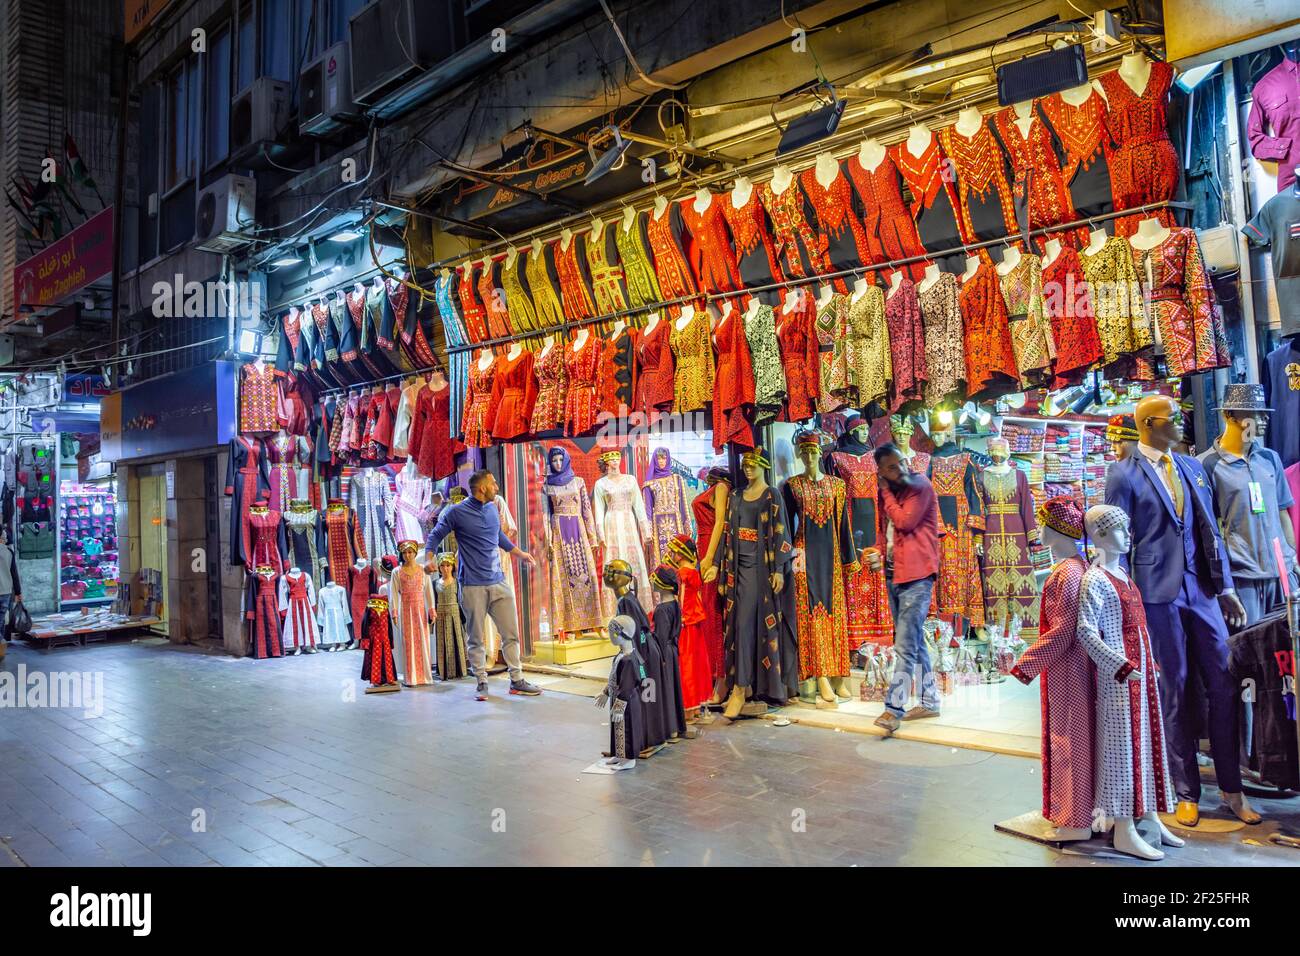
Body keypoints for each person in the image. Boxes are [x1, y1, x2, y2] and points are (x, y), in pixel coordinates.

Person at [1105, 394, 1259, 826]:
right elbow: (1118, 542)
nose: (1182, 424)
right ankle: (1185, 790)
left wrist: (1225, 586)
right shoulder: (1124, 473)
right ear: (1151, 424)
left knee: (1224, 682)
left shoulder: (1191, 466)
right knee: (1174, 687)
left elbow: (1210, 529)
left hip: (1203, 589)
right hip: (1156, 592)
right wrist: (1124, 600)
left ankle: (1233, 788)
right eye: (1175, 419)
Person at [425, 468, 542, 701]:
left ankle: (516, 680)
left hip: (498, 581)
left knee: (511, 634)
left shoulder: (492, 507)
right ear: (481, 488)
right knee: (476, 637)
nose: (497, 487)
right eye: (494, 483)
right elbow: (435, 535)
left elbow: (497, 535)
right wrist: (429, 557)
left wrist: (519, 553)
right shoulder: (455, 512)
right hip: (472, 586)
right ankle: (481, 681)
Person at [868, 443, 941, 735]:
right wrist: (876, 551)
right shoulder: (892, 494)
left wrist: (885, 491)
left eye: (901, 463)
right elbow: (884, 530)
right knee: (913, 642)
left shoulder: (919, 484)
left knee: (905, 646)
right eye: (892, 466)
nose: (900, 469)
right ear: (881, 470)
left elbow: (905, 521)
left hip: (917, 575)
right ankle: (929, 700)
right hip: (896, 574)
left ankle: (893, 709)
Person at [0, 525, 21, 659]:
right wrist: (18, 592)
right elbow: (14, 573)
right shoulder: (9, 552)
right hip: (5, 592)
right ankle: (1, 649)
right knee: (1, 620)